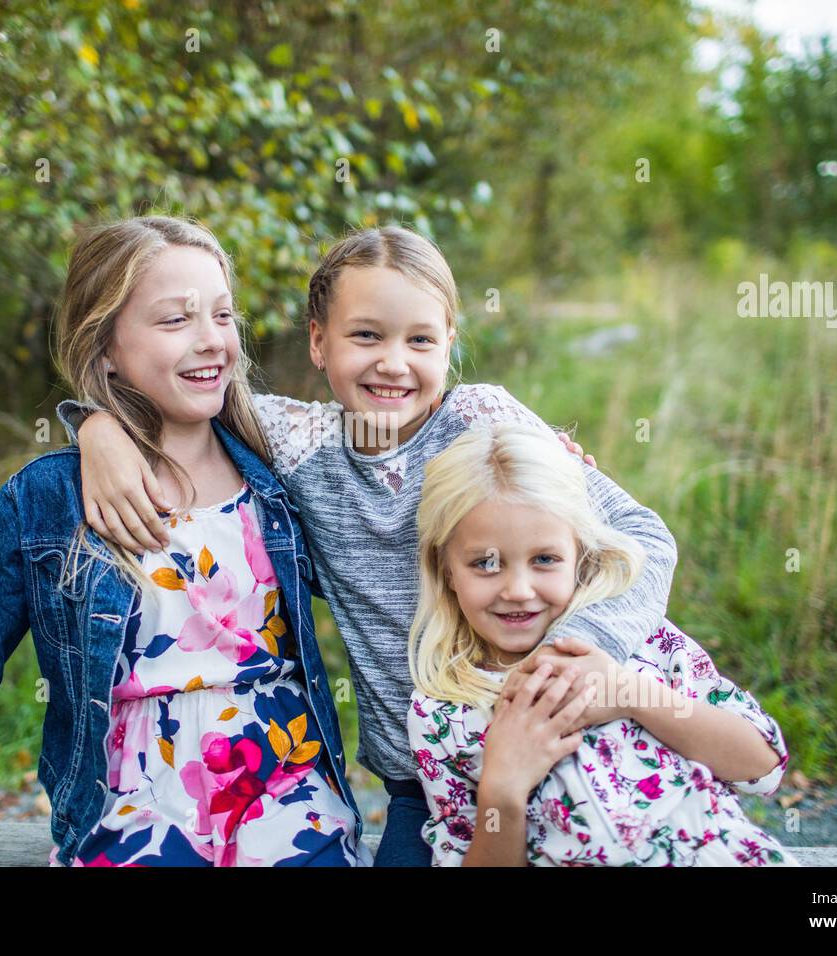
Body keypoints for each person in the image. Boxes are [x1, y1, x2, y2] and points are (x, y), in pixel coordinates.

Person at [59, 226, 678, 865]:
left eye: (420, 340)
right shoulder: (294, 443)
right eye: (366, 335)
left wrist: (575, 657)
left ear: (450, 343)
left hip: (568, 744)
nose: (393, 363)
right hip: (425, 783)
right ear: (318, 341)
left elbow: (644, 537)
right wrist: (96, 426)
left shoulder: (483, 423)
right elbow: (180, 390)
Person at [0, 216, 365, 867]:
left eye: (223, 315)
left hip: (283, 780)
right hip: (132, 799)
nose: (211, 340)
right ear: (104, 349)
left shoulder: (277, 470)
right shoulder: (46, 502)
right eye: (175, 320)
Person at [407, 423, 797, 865]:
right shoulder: (442, 713)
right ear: (446, 570)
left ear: (581, 555)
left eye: (545, 559)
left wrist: (629, 693)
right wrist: (503, 788)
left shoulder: (638, 639)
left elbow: (762, 768)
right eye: (485, 563)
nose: (518, 590)